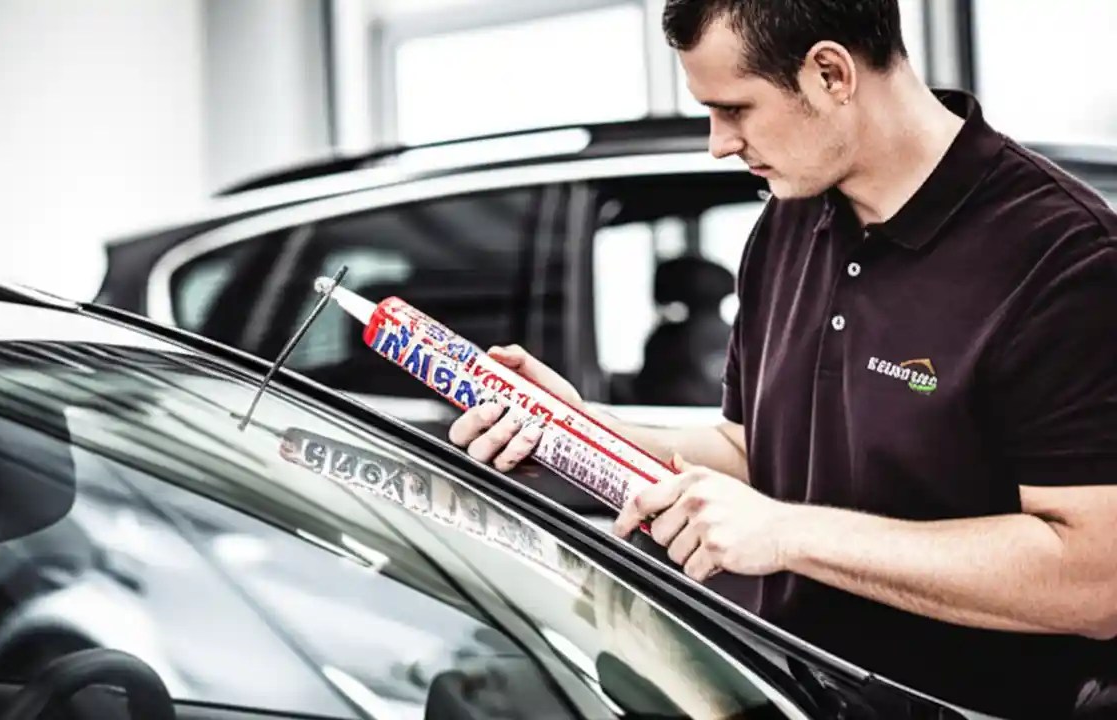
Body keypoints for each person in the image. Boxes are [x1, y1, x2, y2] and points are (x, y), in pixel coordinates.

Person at [446, 1, 1117, 717]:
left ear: (831, 73)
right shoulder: (788, 222)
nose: (718, 143)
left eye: (735, 108)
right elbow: (753, 448)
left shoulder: (1065, 260)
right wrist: (577, 427)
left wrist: (789, 534)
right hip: (787, 693)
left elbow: (1096, 580)